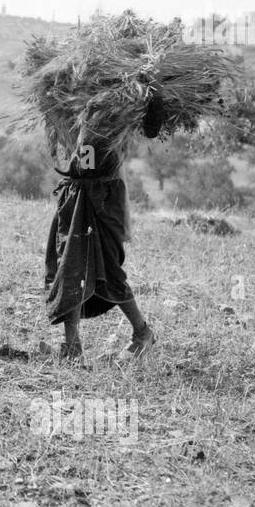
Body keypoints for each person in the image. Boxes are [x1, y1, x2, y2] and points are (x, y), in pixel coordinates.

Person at [44, 94, 162, 361]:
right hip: (75, 199)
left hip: (103, 201)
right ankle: (72, 346)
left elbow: (152, 127)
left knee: (109, 270)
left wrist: (152, 92)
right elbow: (76, 162)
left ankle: (142, 332)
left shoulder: (118, 123)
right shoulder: (75, 120)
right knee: (69, 267)